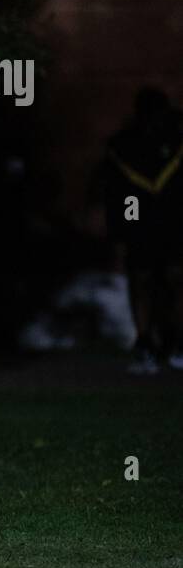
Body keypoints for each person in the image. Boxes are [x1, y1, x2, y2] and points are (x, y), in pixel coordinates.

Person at [103, 86, 183, 374]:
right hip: (140, 226)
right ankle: (145, 342)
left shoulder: (176, 143)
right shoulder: (124, 148)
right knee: (142, 280)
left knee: (176, 278)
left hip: (174, 224)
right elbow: (117, 196)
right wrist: (121, 232)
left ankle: (178, 343)